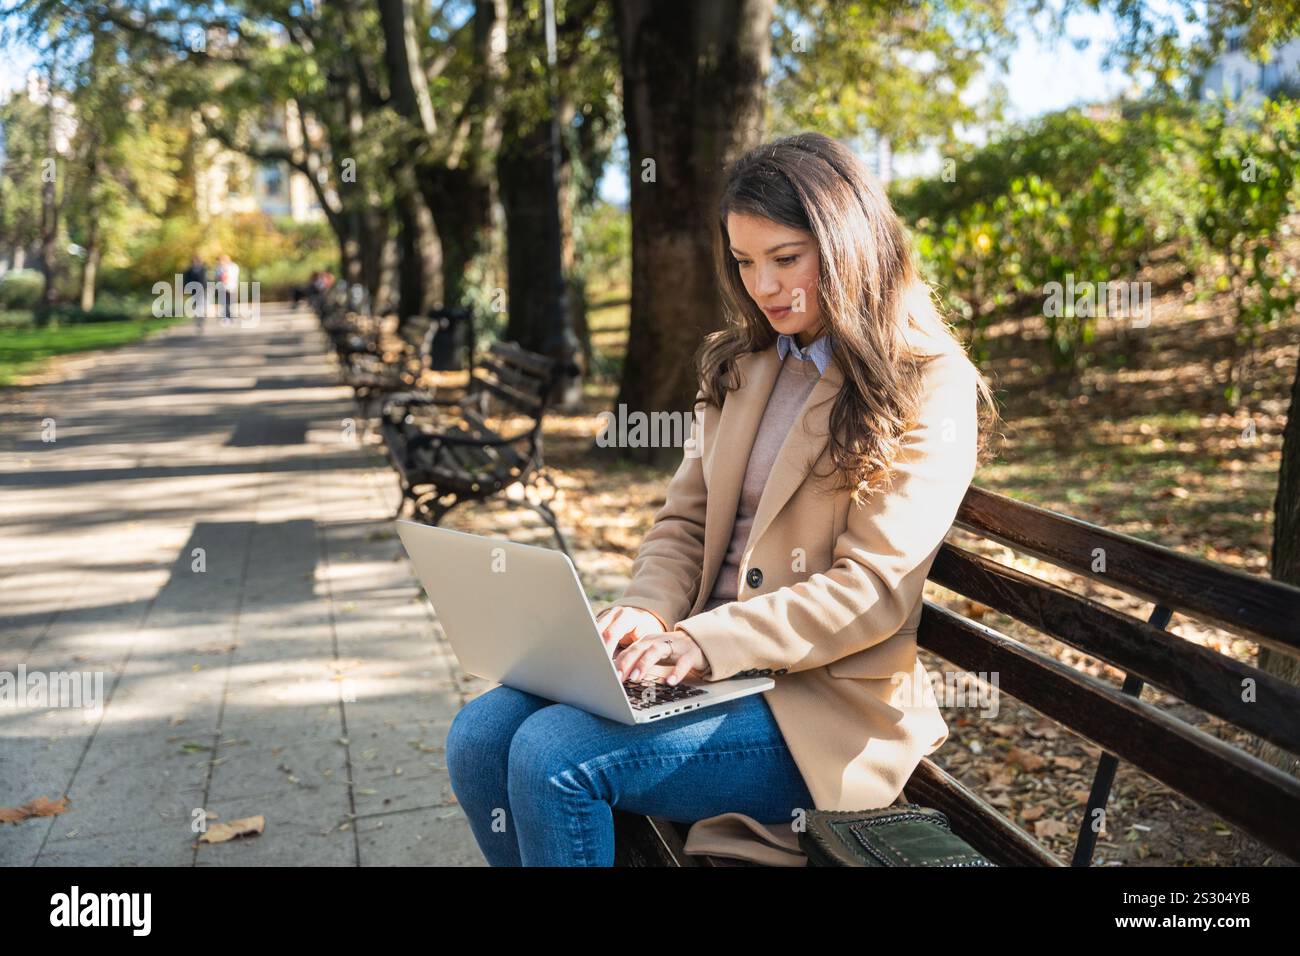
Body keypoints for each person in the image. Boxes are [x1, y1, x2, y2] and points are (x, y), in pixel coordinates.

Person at [443, 131, 1000, 866]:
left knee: (554, 758)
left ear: (849, 244)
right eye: (744, 263)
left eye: (785, 259)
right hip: (704, 673)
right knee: (479, 738)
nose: (763, 287)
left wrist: (707, 643)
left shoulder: (928, 384)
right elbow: (686, 521)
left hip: (818, 707)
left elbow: (871, 591)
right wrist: (647, 610)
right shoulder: (745, 365)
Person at [182, 255, 207, 333]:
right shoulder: (188, 271)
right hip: (193, 291)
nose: (195, 263)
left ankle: (201, 321)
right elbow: (186, 281)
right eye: (194, 261)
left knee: (201, 306)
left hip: (201, 290)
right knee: (195, 307)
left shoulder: (203, 269)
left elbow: (205, 280)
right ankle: (198, 322)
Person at [216, 254, 240, 324]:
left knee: (231, 303)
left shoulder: (234, 267)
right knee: (224, 303)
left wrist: (226, 277)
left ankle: (231, 316)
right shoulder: (219, 268)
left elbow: (234, 277)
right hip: (222, 288)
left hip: (231, 287)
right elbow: (217, 277)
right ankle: (226, 317)